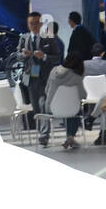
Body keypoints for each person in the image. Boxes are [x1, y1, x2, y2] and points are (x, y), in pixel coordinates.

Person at [28, 15, 64, 146]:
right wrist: (24, 55)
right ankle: (42, 131)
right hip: (32, 76)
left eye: (37, 23)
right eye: (32, 23)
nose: (34, 25)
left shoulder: (50, 39)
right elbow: (18, 55)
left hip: (46, 76)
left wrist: (44, 56)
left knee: (43, 104)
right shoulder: (25, 37)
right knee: (36, 107)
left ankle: (44, 134)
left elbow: (57, 57)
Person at [44, 54, 87, 149]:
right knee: (75, 111)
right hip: (70, 109)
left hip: (51, 108)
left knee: (68, 110)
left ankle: (70, 138)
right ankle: (70, 137)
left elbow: (46, 90)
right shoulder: (77, 77)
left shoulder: (54, 71)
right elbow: (83, 96)